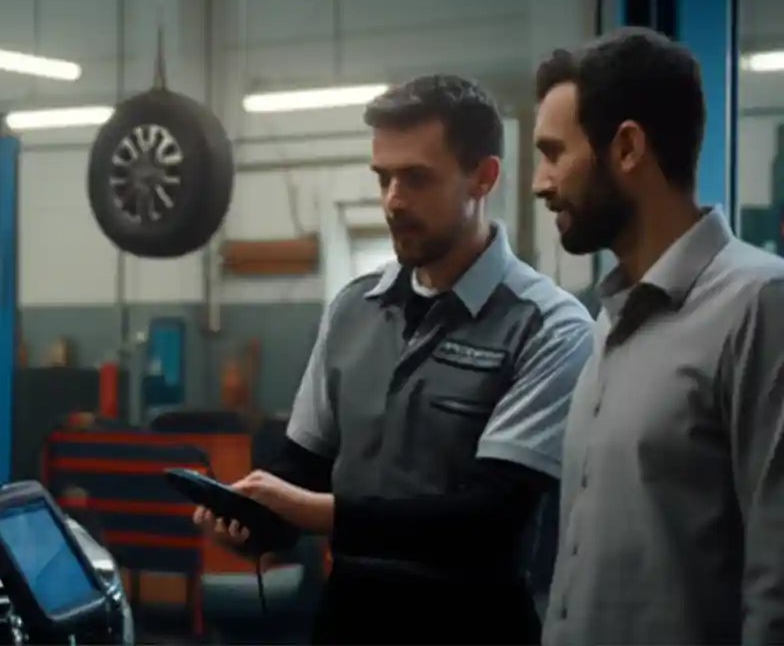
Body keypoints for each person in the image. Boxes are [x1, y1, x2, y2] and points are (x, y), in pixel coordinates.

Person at [194, 74, 594, 644]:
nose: (392, 201)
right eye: (383, 178)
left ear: (484, 177)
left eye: (416, 178)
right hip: (349, 617)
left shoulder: (548, 325)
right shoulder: (353, 309)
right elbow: (303, 466)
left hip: (474, 623)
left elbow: (488, 519)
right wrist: (257, 522)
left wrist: (313, 512)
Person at [532, 27, 784, 644]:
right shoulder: (609, 319)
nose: (541, 182)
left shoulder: (759, 305)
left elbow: (777, 581)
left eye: (554, 152)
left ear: (626, 148)